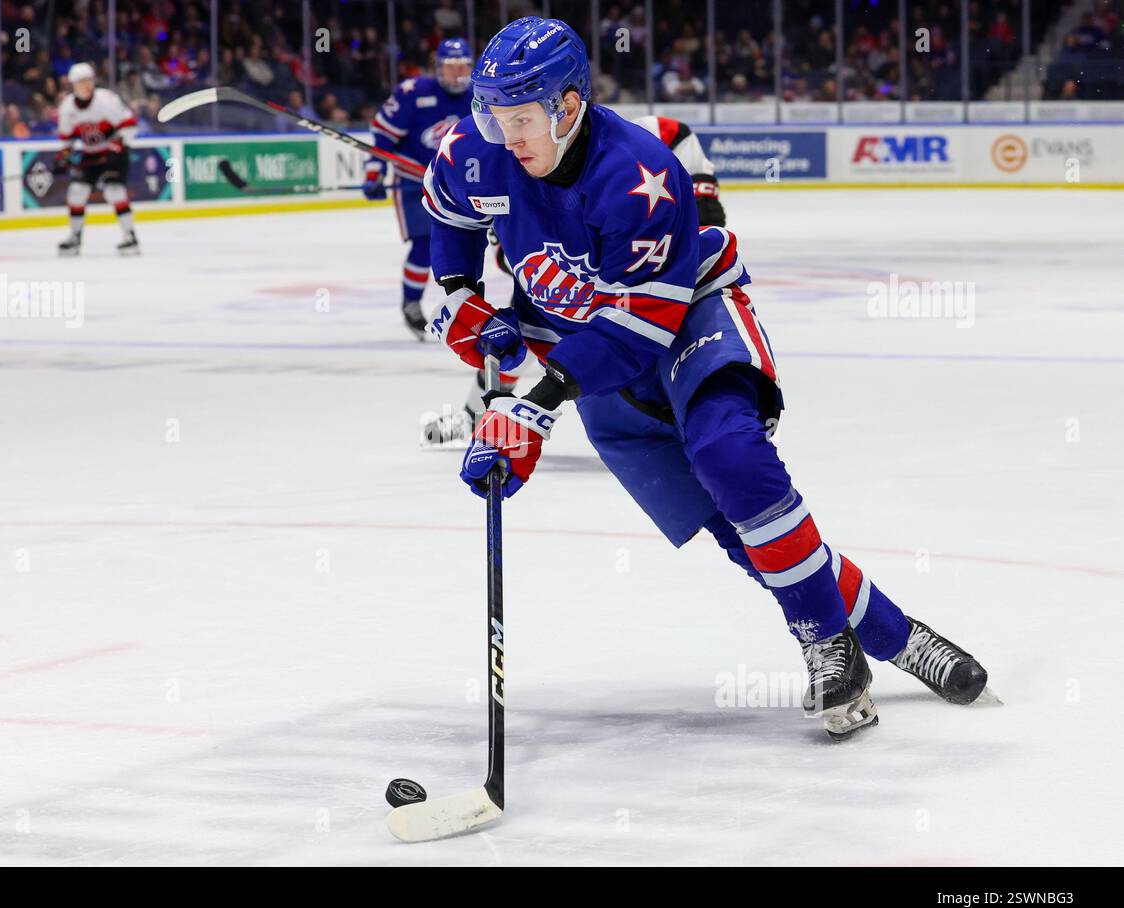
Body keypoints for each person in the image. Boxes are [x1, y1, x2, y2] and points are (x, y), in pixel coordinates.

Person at [422, 18, 991, 739]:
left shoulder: (639, 178)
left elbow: (640, 331)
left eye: (523, 120)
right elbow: (449, 250)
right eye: (493, 119)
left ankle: (823, 638)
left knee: (731, 458)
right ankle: (893, 635)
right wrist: (476, 327)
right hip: (588, 350)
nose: (507, 138)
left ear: (568, 107)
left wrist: (535, 402)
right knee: (729, 526)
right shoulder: (474, 155)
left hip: (689, 317)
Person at [422, 111, 726, 446]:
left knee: (626, 340)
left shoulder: (623, 145)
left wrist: (704, 191)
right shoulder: (515, 151)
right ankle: (474, 415)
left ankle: (673, 420)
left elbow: (676, 131)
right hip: (555, 278)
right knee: (514, 335)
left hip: (621, 268)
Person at [364, 37, 474, 338]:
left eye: (463, 66)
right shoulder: (413, 93)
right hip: (414, 181)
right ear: (437, 68)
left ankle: (471, 309)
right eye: (451, 67)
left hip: (456, 185)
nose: (457, 73)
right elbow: (383, 137)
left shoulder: (479, 95)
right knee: (424, 244)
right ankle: (411, 303)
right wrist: (374, 171)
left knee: (464, 246)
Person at [55, 62, 139, 256]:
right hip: (90, 155)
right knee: (76, 192)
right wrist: (63, 157)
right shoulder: (67, 107)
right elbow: (67, 141)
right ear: (73, 85)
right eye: (81, 82)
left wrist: (117, 146)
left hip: (113, 153)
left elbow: (130, 125)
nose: (87, 86)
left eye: (89, 81)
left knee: (114, 191)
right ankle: (75, 238)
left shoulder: (106, 100)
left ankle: (130, 236)